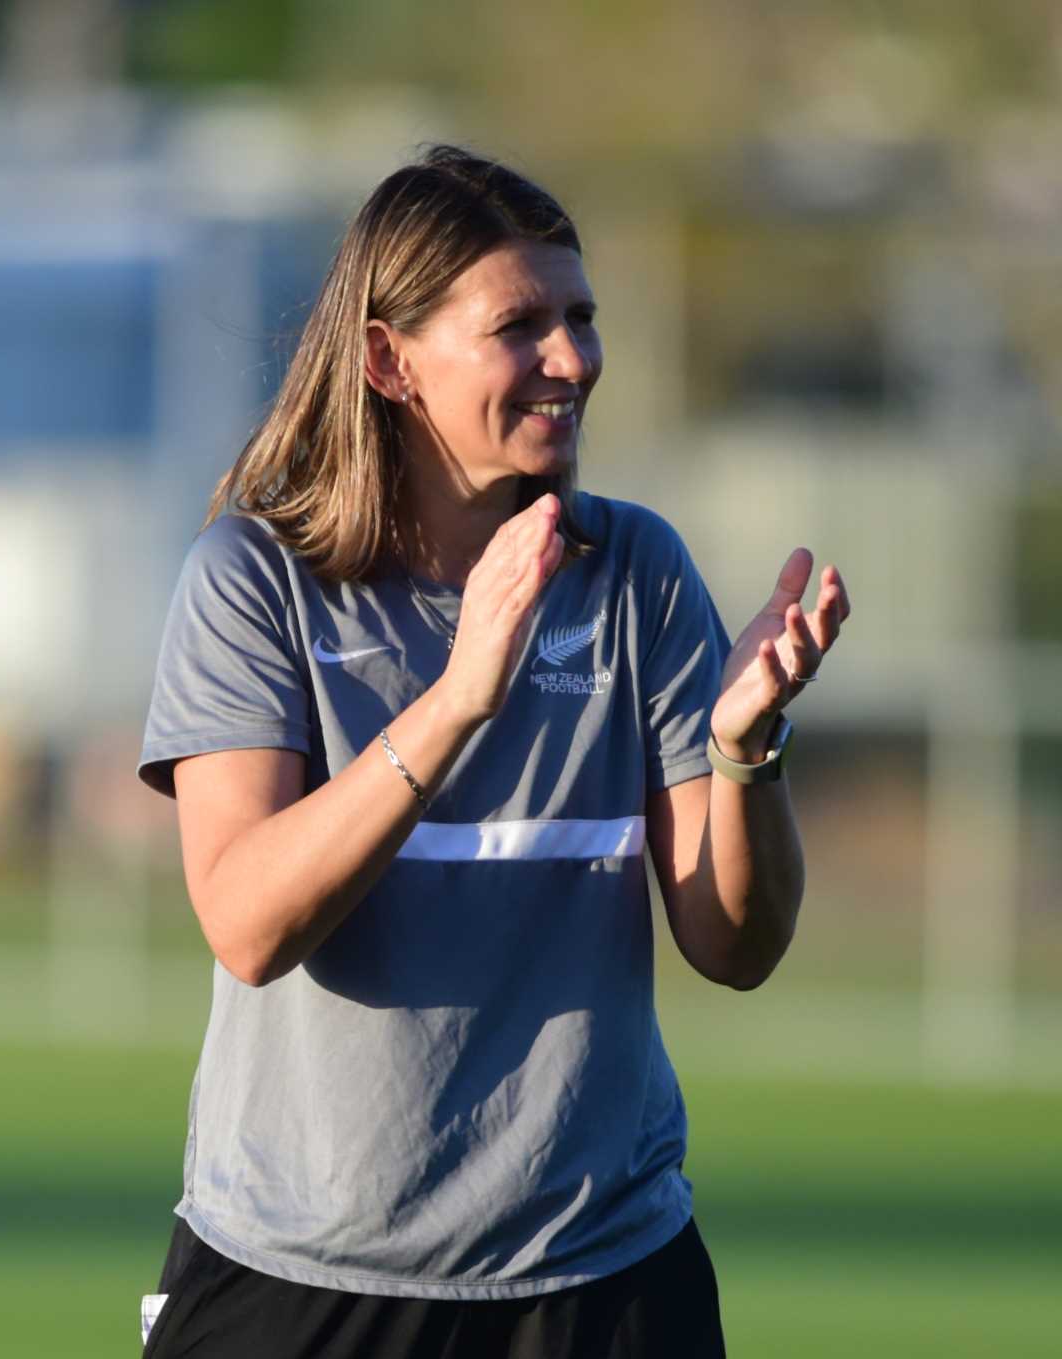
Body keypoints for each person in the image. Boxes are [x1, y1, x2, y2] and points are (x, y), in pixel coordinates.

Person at [136, 147, 850, 1358]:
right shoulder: (253, 579)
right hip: (299, 1286)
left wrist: (744, 755)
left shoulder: (635, 572)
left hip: (602, 1283)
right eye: (519, 325)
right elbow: (248, 925)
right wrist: (460, 696)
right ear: (385, 361)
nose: (571, 359)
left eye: (579, 318)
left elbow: (734, 946)